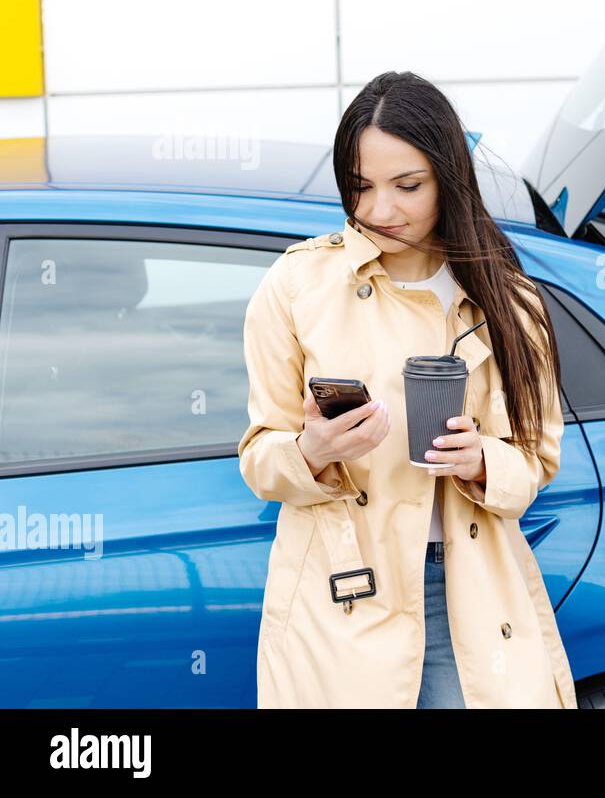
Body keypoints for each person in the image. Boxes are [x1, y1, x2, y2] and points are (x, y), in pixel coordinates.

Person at [237, 70, 578, 708]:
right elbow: (260, 457)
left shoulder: (511, 302)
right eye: (361, 187)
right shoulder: (297, 286)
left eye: (408, 186)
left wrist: (482, 463)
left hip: (469, 591)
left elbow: (536, 458)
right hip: (341, 595)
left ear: (449, 180)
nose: (380, 212)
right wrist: (312, 450)